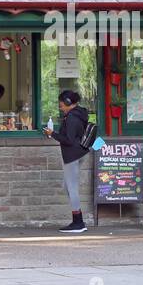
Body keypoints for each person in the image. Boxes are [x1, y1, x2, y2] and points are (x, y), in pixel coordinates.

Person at [43, 89, 89, 233]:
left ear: (69, 103)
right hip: (79, 153)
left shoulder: (71, 118)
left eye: (62, 104)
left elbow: (68, 139)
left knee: (71, 188)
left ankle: (78, 222)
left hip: (72, 155)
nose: (60, 107)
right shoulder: (79, 114)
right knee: (67, 187)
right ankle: (78, 220)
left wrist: (52, 134)